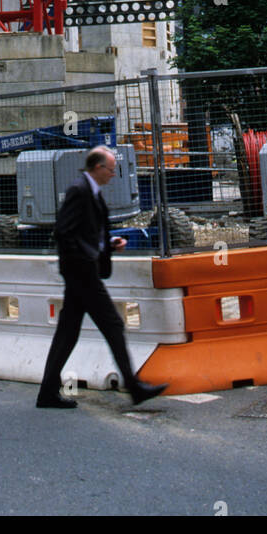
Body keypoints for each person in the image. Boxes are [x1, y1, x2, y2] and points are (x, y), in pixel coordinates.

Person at [36, 146, 169, 410]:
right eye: (110, 169)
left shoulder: (91, 192)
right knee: (113, 325)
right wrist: (86, 260)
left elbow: (85, 234)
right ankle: (134, 387)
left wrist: (106, 245)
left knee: (68, 333)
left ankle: (47, 393)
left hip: (81, 273)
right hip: (83, 275)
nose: (112, 174)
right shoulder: (80, 191)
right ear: (98, 168)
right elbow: (63, 232)